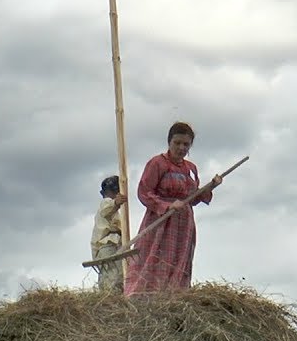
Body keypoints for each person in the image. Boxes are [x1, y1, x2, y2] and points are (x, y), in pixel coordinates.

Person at [124, 121, 223, 295]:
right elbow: (144, 192)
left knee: (179, 259)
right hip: (161, 221)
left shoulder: (191, 169)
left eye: (186, 144)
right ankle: (144, 293)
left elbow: (193, 198)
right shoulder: (157, 163)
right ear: (169, 142)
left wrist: (211, 186)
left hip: (183, 225)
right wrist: (167, 205)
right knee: (155, 256)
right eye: (177, 143)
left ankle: (174, 294)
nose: (181, 148)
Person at [90, 175, 128, 292]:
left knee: (117, 277)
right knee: (113, 278)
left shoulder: (115, 212)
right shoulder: (106, 202)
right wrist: (116, 203)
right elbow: (106, 209)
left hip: (112, 245)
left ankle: (114, 297)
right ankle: (110, 297)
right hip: (108, 246)